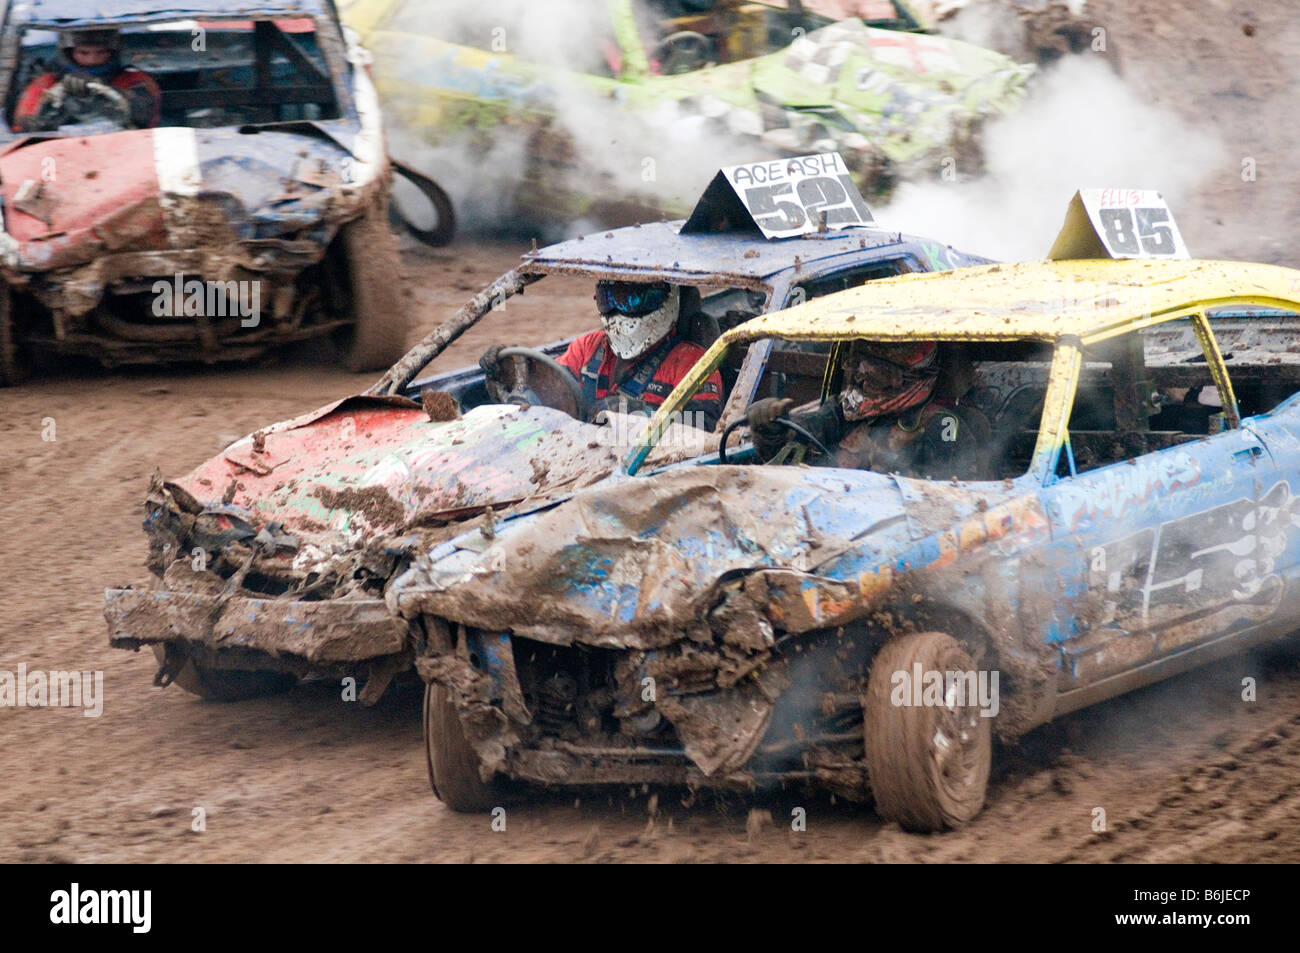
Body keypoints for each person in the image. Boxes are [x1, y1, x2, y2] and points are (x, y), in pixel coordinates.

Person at [480, 280, 725, 429]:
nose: (619, 310)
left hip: (640, 472)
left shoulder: (694, 362)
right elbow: (551, 392)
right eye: (610, 299)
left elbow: (703, 429)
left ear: (667, 300)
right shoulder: (588, 347)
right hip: (572, 458)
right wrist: (507, 376)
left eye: (632, 299)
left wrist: (633, 415)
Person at [746, 339, 988, 477]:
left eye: (879, 374)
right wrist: (771, 428)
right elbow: (806, 431)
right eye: (859, 367)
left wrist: (889, 463)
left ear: (915, 377)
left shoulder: (942, 425)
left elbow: (954, 499)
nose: (863, 380)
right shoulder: (846, 410)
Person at [14, 29, 162, 132]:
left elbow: (144, 116)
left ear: (112, 52)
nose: (92, 60)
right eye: (84, 53)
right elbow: (23, 126)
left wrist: (101, 94)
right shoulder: (47, 82)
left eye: (101, 52)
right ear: (69, 53)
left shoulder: (135, 79)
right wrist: (50, 111)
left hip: (123, 148)